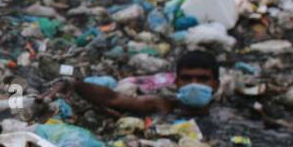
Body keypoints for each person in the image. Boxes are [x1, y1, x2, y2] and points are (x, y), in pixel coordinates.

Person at [72, 49, 220, 117]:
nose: (193, 84)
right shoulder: (162, 106)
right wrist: (76, 84)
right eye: (186, 78)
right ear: (176, 82)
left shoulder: (224, 115)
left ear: (215, 85)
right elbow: (114, 99)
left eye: (203, 79)